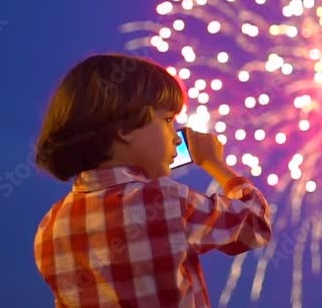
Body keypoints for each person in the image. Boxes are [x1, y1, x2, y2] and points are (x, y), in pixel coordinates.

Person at [32, 53, 272, 307]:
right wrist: (215, 164)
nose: (177, 137)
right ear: (124, 128)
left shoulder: (50, 227)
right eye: (167, 120)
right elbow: (255, 225)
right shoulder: (165, 200)